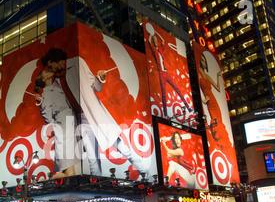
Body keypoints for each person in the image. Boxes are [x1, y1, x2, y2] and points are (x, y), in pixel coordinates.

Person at [41, 48, 150, 179]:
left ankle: (147, 174)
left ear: (55, 60)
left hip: (97, 117)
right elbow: (56, 109)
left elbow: (96, 87)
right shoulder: (57, 81)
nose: (49, 69)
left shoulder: (77, 62)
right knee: (93, 161)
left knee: (123, 148)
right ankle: (97, 190)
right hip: (82, 123)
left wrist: (99, 78)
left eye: (50, 65)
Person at [33, 69, 80, 179]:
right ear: (44, 79)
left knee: (69, 167)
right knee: (70, 169)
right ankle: (48, 182)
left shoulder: (58, 84)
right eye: (45, 72)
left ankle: (49, 182)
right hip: (63, 127)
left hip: (69, 123)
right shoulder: (46, 93)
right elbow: (48, 118)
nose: (49, 71)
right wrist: (41, 103)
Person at [197, 53, 237, 169]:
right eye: (203, 61)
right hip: (209, 102)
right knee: (216, 124)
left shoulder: (206, 75)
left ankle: (226, 155)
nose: (204, 63)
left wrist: (219, 77)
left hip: (214, 101)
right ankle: (222, 152)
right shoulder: (197, 74)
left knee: (219, 123)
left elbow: (218, 88)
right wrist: (204, 100)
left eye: (205, 61)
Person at [147, 28, 192, 117]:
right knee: (164, 94)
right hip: (161, 74)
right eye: (154, 40)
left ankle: (188, 107)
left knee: (177, 89)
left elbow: (163, 41)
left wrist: (156, 32)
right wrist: (151, 34)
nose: (155, 41)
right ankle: (165, 113)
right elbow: (148, 41)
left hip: (167, 73)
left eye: (156, 40)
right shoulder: (154, 50)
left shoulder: (160, 49)